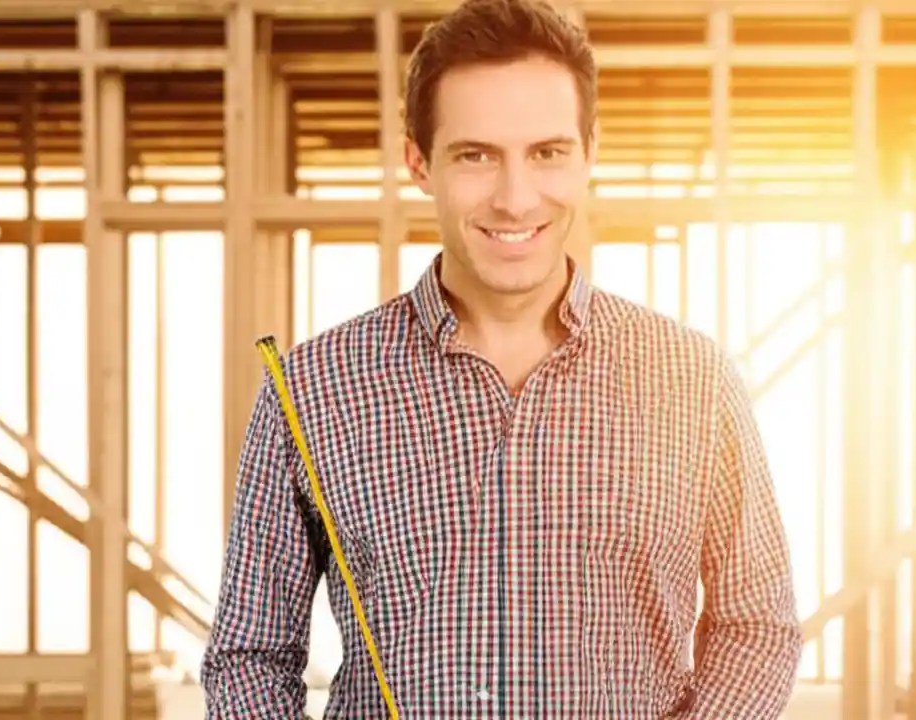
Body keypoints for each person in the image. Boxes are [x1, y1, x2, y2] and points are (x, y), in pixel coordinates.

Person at [200, 0, 803, 716]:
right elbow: (249, 657)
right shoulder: (312, 389)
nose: (516, 200)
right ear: (419, 162)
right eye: (476, 155)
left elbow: (756, 627)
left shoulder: (694, 380)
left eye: (547, 153)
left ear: (589, 154)